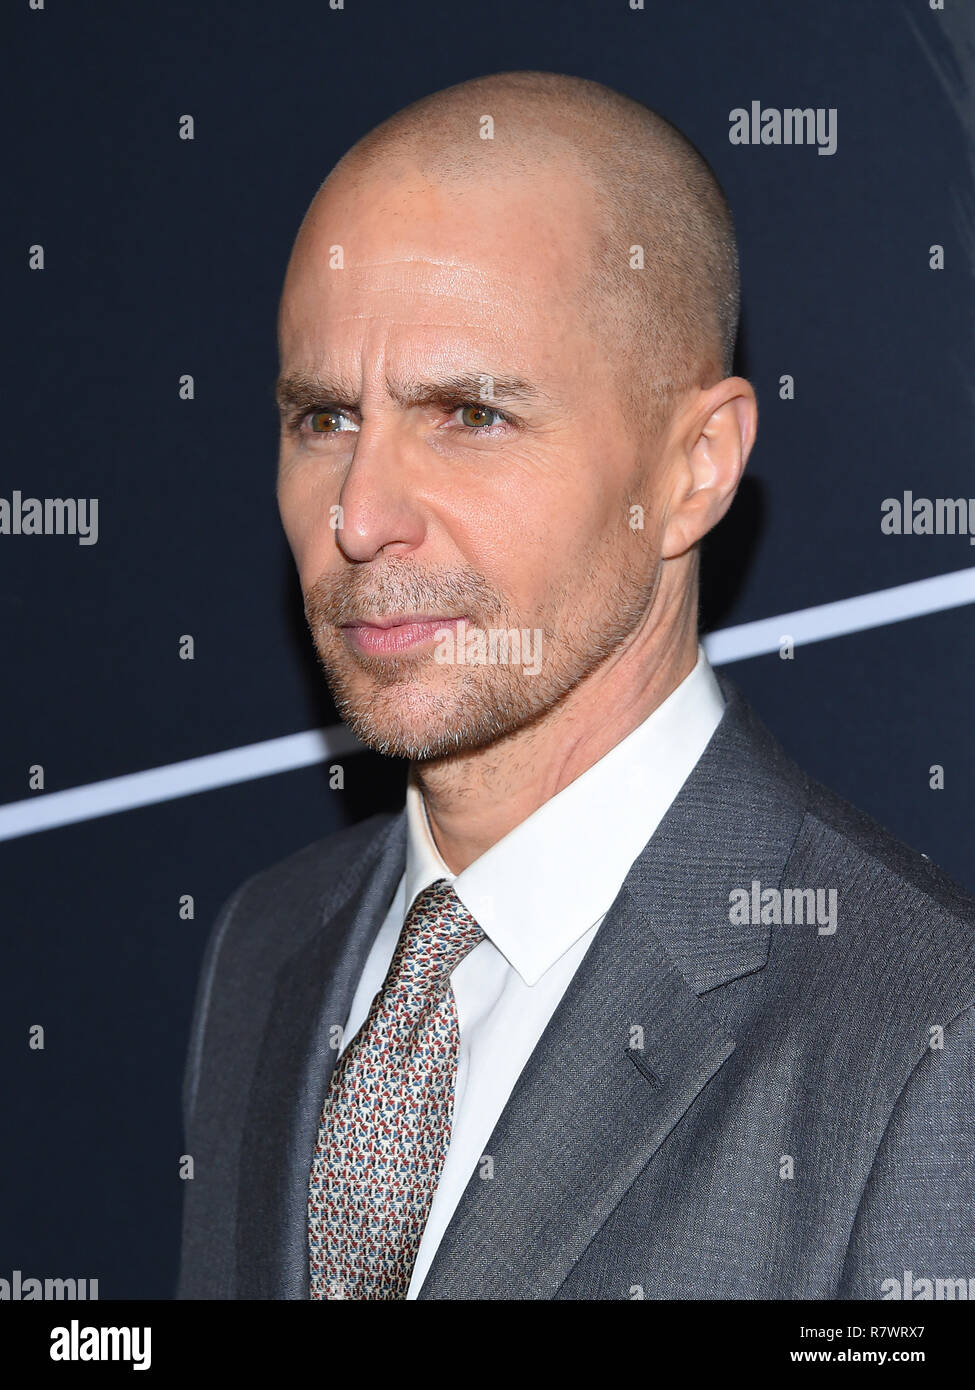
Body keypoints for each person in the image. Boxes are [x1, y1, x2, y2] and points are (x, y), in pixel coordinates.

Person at [177, 70, 975, 1301]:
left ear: (696, 466)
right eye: (325, 417)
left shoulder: (928, 1037)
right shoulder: (271, 942)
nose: (360, 515)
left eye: (470, 414)